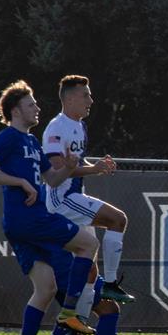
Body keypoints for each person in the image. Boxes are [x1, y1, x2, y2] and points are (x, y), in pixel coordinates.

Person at [0, 81, 100, 335]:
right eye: (31, 104)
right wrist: (19, 182)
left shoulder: (32, 142)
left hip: (22, 225)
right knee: (88, 243)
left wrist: (70, 167)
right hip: (29, 218)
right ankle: (70, 312)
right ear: (16, 110)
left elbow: (52, 179)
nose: (37, 108)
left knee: (44, 289)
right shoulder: (8, 137)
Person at [42, 74, 135, 303]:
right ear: (70, 99)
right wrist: (94, 170)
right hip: (62, 200)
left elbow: (76, 164)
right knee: (118, 219)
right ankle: (111, 284)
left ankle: (74, 324)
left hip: (75, 196)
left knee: (90, 273)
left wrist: (96, 166)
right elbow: (57, 169)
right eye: (86, 95)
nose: (91, 101)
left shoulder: (80, 126)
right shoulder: (56, 127)